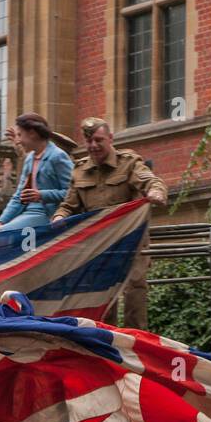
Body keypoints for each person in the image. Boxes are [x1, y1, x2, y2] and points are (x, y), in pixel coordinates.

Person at [51, 117, 168, 328]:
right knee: (101, 296)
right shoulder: (79, 170)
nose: (94, 146)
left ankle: (136, 341)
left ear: (110, 138)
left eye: (98, 140)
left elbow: (151, 181)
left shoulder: (129, 162)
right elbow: (69, 205)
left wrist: (155, 192)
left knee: (134, 290)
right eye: (89, 142)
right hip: (99, 245)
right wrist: (59, 217)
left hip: (131, 242)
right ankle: (107, 343)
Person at [0, 113, 73, 231]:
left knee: (3, 234)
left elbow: (72, 193)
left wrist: (42, 195)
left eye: (20, 135)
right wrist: (0, 222)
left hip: (47, 216)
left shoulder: (57, 156)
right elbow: (19, 196)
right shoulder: (29, 159)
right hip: (27, 213)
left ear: (32, 133)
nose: (18, 140)